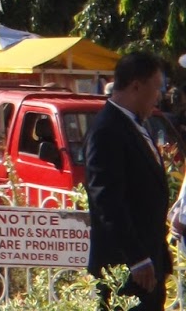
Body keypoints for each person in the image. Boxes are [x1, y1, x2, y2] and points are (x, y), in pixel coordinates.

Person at [84, 51, 172, 311]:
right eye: (156, 88)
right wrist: (137, 258)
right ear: (136, 86)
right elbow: (107, 201)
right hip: (125, 270)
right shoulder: (107, 130)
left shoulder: (135, 124)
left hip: (147, 263)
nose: (159, 96)